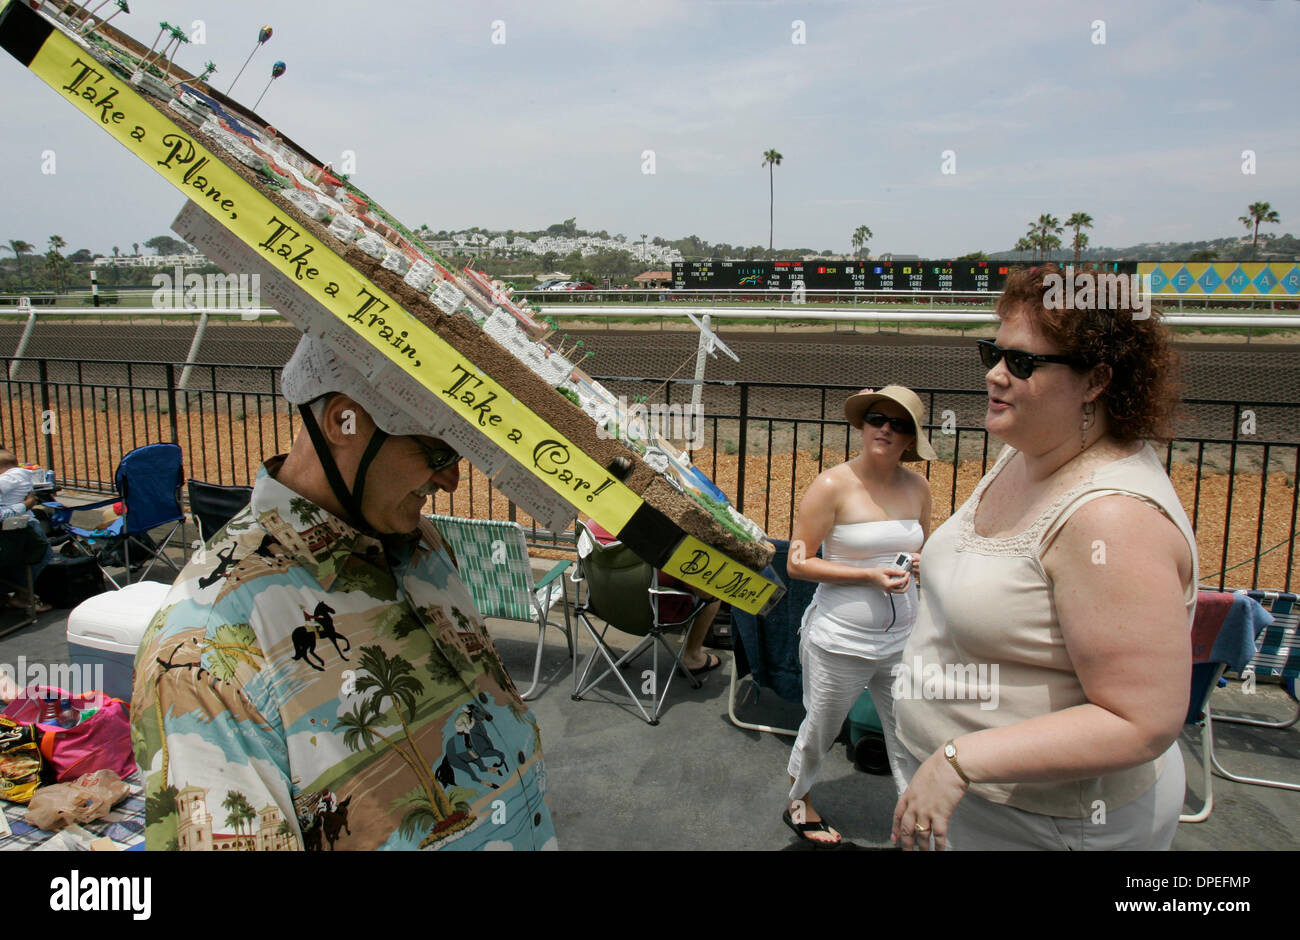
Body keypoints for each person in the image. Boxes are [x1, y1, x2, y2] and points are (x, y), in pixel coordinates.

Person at [132, 335, 556, 851]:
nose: (450, 478)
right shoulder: (208, 649)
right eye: (437, 449)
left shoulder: (419, 543)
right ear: (343, 421)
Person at [892, 264, 1195, 851]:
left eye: (1023, 362)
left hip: (1040, 822)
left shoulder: (1112, 519)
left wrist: (957, 760)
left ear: (1095, 380)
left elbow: (1141, 722)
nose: (996, 375)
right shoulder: (1031, 452)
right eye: (993, 353)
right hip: (968, 796)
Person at [782, 385, 935, 845]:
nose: (885, 428)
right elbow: (797, 560)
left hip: (901, 639)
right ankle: (799, 799)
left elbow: (921, 548)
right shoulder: (832, 484)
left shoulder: (919, 486)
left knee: (909, 732)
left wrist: (928, 563)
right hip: (840, 640)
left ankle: (915, 820)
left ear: (910, 438)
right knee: (821, 728)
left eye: (899, 424)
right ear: (863, 425)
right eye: (876, 418)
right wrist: (868, 576)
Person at [583, 519, 723, 676]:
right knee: (714, 592)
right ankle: (692, 657)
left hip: (603, 608)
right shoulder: (668, 538)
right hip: (650, 617)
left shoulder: (591, 524)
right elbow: (706, 594)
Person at [0, 449, 52, 613]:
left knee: (36, 554)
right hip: (19, 526)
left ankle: (20, 593)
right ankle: (22, 593)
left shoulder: (10, 477)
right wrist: (26, 504)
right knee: (40, 554)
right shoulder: (22, 475)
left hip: (18, 526)